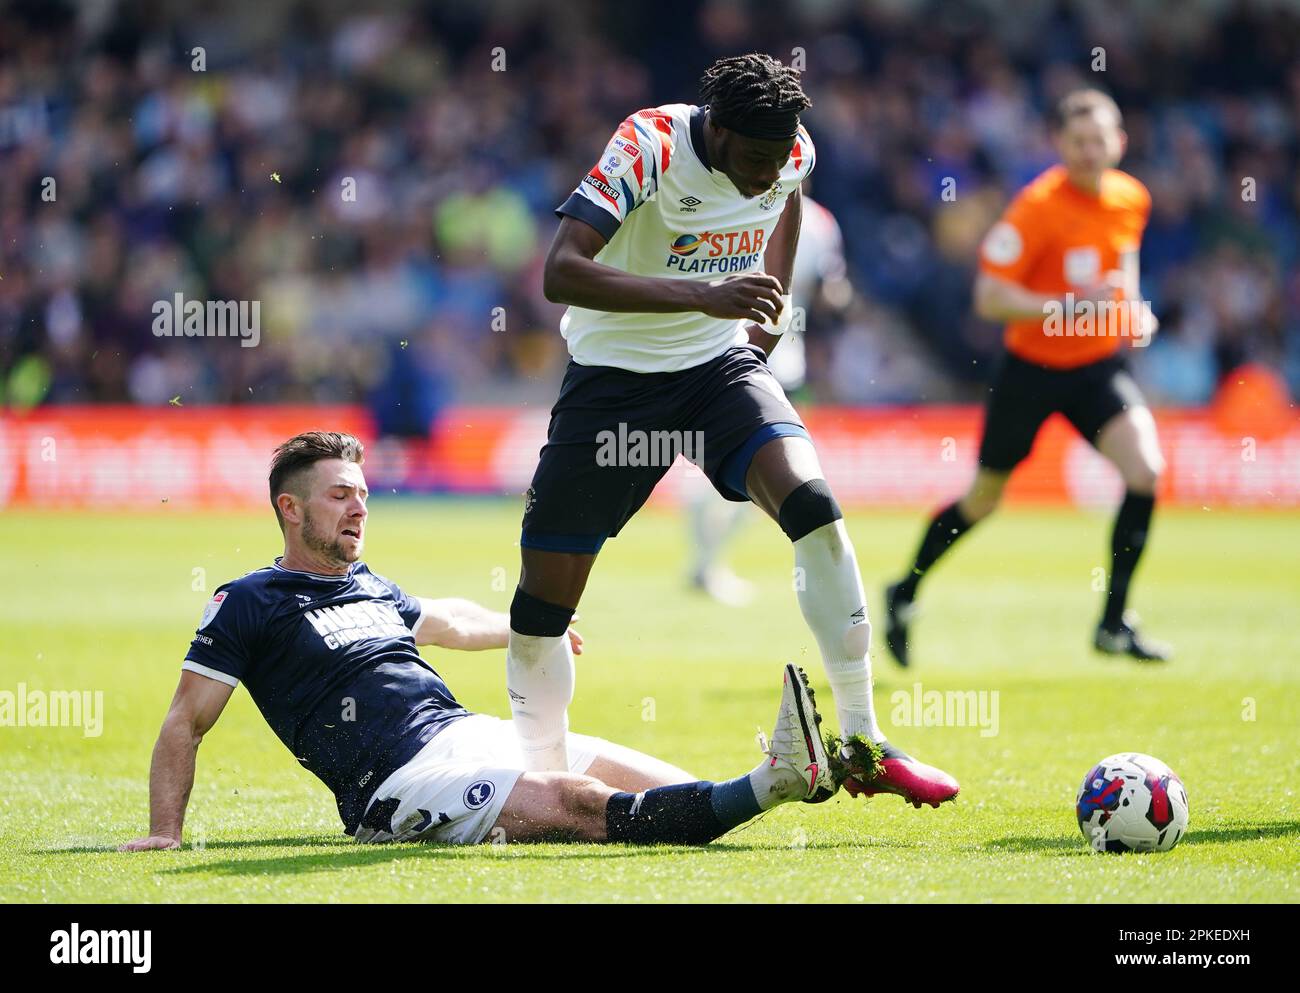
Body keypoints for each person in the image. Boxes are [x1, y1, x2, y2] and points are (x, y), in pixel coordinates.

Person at [511, 52, 958, 808]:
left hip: (718, 372)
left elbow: (788, 199)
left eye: (776, 159)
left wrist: (769, 316)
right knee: (542, 605)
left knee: (814, 505)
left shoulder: (791, 152)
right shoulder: (648, 144)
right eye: (752, 160)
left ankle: (862, 741)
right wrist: (705, 294)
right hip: (613, 385)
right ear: (715, 131)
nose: (765, 174)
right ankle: (546, 778)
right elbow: (561, 270)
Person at [120, 431, 835, 851]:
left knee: (663, 782)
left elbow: (450, 621)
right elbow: (186, 718)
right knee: (575, 801)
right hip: (396, 785)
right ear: (289, 507)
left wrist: (531, 625)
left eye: (363, 493)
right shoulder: (248, 601)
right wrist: (165, 832)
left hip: (469, 735)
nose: (359, 505)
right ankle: (777, 780)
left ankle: (801, 772)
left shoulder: (369, 584)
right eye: (340, 493)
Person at [884, 89, 1170, 666]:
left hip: (1096, 366)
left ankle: (1114, 622)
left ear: (1120, 142)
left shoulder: (1130, 198)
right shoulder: (1035, 209)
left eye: (1100, 140)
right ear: (1060, 145)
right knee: (985, 499)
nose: (1090, 151)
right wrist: (1065, 307)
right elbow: (989, 299)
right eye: (1078, 141)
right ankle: (904, 591)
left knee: (1145, 470)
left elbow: (1124, 267)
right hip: (1031, 372)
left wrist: (1135, 309)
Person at [682, 194, 851, 608]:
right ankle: (707, 564)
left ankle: (707, 563)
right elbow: (833, 290)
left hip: (743, 358)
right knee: (762, 475)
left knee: (735, 473)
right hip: (763, 359)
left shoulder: (724, 204)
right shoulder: (817, 221)